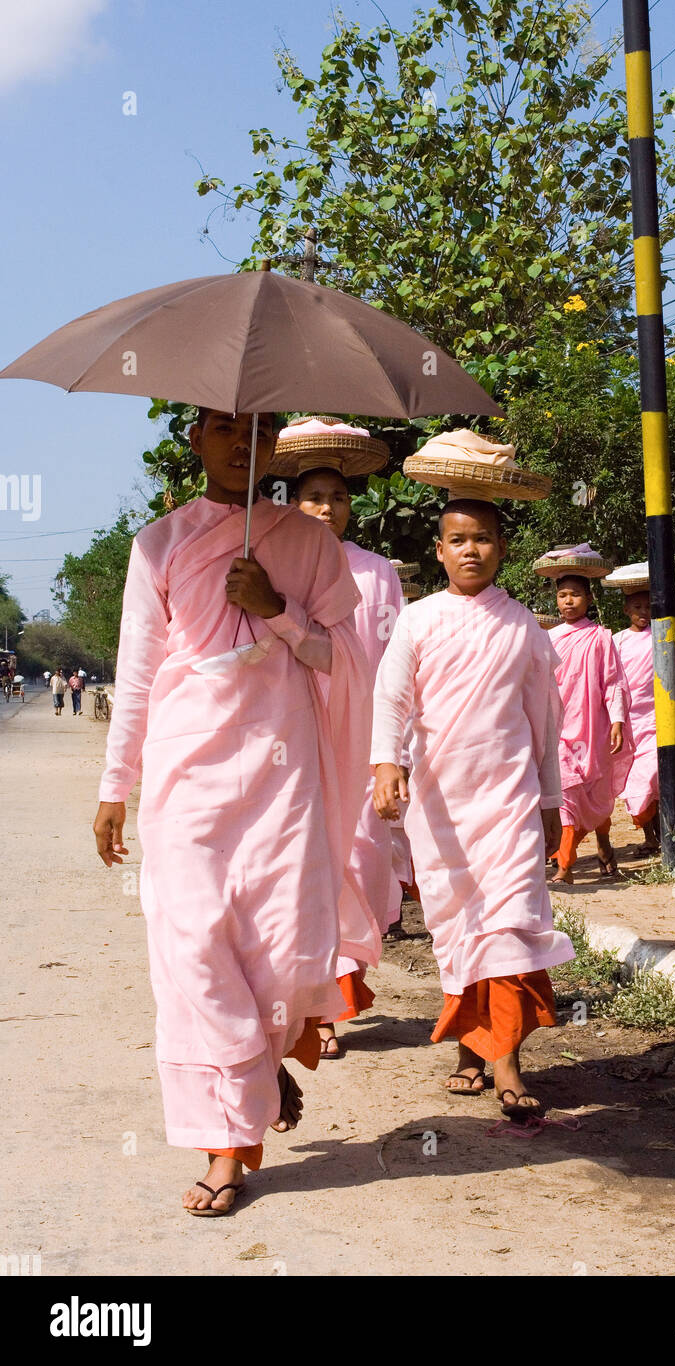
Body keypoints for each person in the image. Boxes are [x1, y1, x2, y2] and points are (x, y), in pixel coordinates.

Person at [93, 408, 372, 1216]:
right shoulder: (159, 542)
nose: (239, 443)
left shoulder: (309, 543)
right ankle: (222, 1147)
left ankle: (257, 1053)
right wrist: (118, 786)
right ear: (195, 441)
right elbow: (139, 670)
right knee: (190, 946)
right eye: (222, 427)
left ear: (275, 443)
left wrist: (277, 606)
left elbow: (342, 659)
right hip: (186, 770)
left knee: (283, 949)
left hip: (282, 773)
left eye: (258, 430)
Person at [372, 495, 574, 1119]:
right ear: (439, 550)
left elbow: (545, 721)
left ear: (502, 548)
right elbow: (392, 699)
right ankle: (469, 1045)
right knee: (459, 929)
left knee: (509, 923)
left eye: (483, 538)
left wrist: (549, 800)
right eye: (457, 539)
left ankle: (507, 1059)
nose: (471, 549)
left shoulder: (525, 629)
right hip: (440, 807)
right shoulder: (418, 620)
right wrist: (386, 764)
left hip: (509, 801)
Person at [287, 432, 404, 1058]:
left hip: (362, 739)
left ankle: (340, 990)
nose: (326, 508)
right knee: (307, 870)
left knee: (357, 862)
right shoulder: (279, 562)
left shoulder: (375, 571)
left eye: (336, 497)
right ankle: (319, 1014)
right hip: (297, 737)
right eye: (312, 497)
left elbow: (393, 661)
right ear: (293, 503)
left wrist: (395, 744)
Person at [536, 550, 634, 885]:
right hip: (558, 729)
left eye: (575, 595)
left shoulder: (601, 637)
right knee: (564, 793)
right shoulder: (548, 638)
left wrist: (618, 721)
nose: (568, 601)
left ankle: (604, 844)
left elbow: (613, 682)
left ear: (588, 599)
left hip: (592, 728)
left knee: (594, 793)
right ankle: (565, 867)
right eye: (562, 595)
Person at [607, 564, 675, 856]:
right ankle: (653, 838)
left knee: (653, 776)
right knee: (635, 783)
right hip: (627, 723)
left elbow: (674, 675)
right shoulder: (618, 641)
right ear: (627, 609)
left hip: (657, 721)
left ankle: (669, 835)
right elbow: (611, 681)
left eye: (647, 606)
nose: (642, 612)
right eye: (636, 606)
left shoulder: (663, 637)